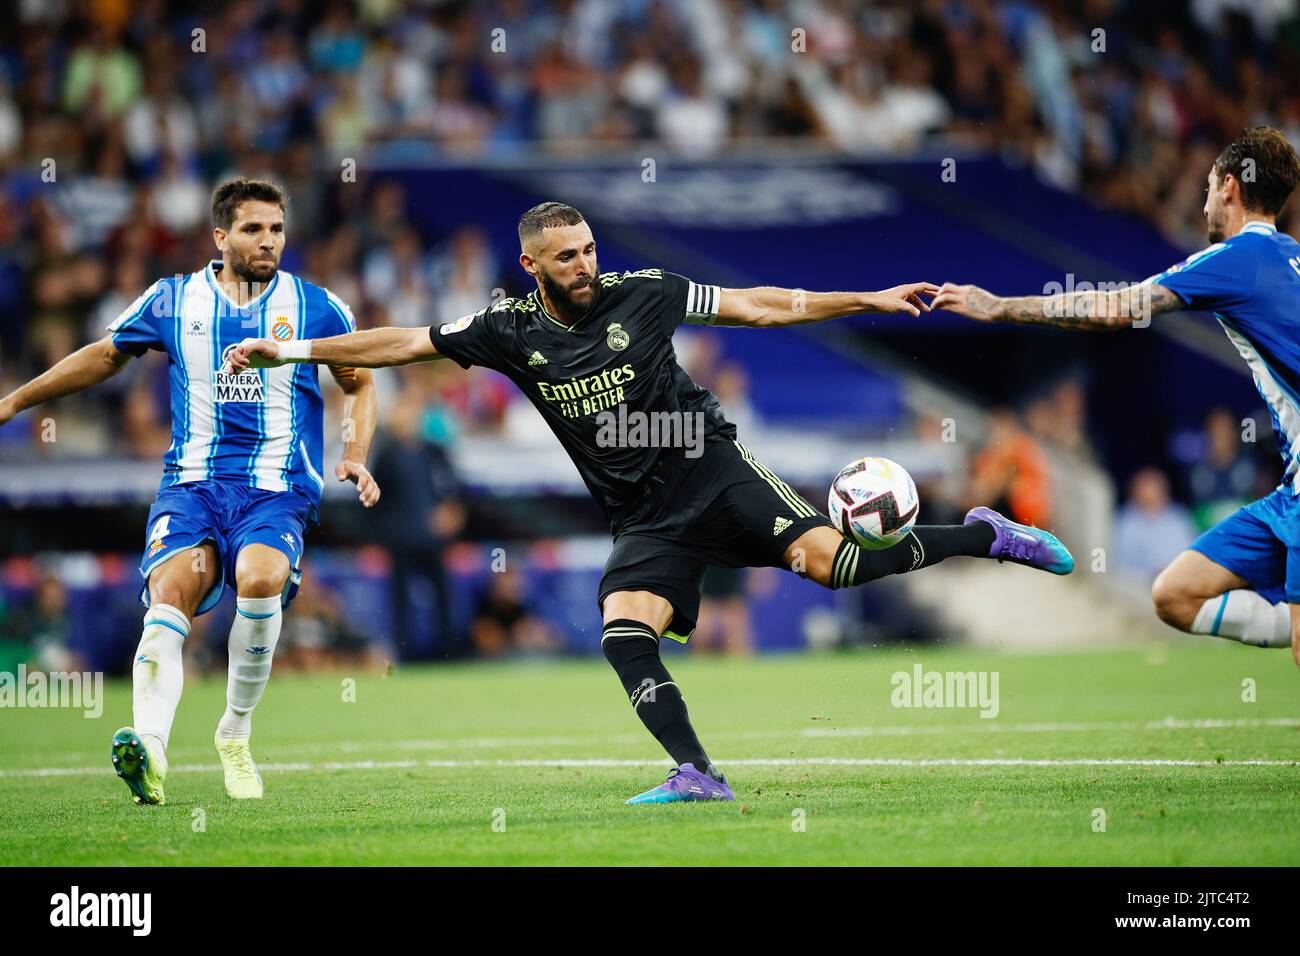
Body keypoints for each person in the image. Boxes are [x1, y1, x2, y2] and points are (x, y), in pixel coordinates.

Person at [228, 201, 1073, 804]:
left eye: (589, 249)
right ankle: (698, 773)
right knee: (623, 629)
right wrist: (292, 350)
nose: (585, 265)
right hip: (642, 517)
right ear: (531, 266)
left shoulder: (647, 292)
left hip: (712, 467)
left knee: (836, 566)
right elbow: (403, 342)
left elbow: (761, 307)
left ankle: (982, 533)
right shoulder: (507, 331)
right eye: (566, 257)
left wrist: (868, 299)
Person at [0, 178, 381, 804]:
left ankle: (235, 729)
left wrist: (355, 454)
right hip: (191, 486)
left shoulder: (317, 305)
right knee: (169, 597)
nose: (268, 241)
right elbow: (103, 355)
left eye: (277, 229)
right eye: (254, 229)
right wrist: (17, 399)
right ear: (220, 236)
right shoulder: (173, 301)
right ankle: (149, 749)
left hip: (275, 489)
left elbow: (360, 382)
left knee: (259, 579)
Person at [933, 126, 1300, 664]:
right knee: (1175, 595)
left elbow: (1114, 309)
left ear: (1228, 187)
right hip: (1290, 491)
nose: (1202, 206)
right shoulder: (1291, 258)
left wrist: (998, 307)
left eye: (1205, 190)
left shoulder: (1233, 259)